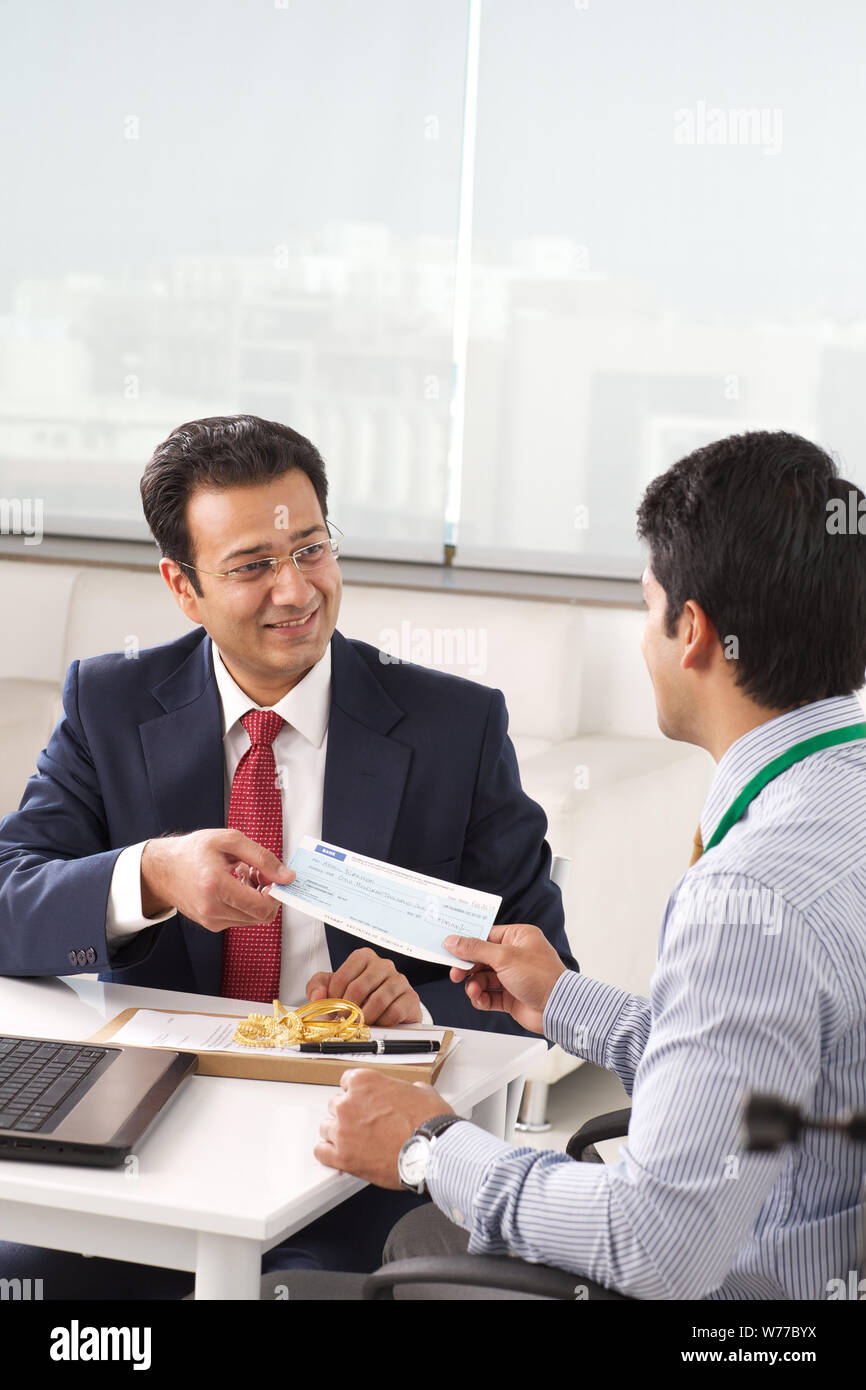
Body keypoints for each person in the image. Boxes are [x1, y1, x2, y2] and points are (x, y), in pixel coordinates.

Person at [268, 429, 866, 1300]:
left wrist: (427, 1144)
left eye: (646, 604)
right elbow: (757, 1066)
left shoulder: (752, 890)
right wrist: (564, 1004)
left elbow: (658, 1246)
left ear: (690, 631)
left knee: (320, 1280)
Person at [0, 413, 574, 1295]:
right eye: (253, 566)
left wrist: (412, 1013)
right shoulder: (109, 705)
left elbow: (549, 980)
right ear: (182, 587)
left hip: (354, 1156)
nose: (296, 589)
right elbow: (11, 899)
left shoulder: (455, 727)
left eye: (311, 549)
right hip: (151, 1137)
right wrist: (150, 874)